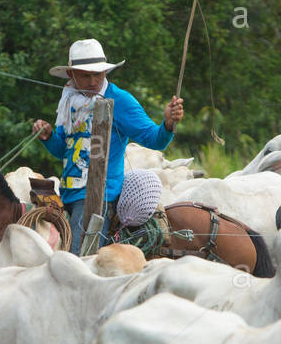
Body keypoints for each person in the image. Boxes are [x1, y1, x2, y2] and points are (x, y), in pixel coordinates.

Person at [32, 39, 184, 252]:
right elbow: (63, 151)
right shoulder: (69, 101)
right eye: (86, 75)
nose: (93, 81)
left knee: (75, 259)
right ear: (71, 75)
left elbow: (154, 139)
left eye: (98, 74)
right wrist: (48, 137)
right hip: (68, 192)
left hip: (98, 196)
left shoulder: (120, 100)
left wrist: (167, 123)